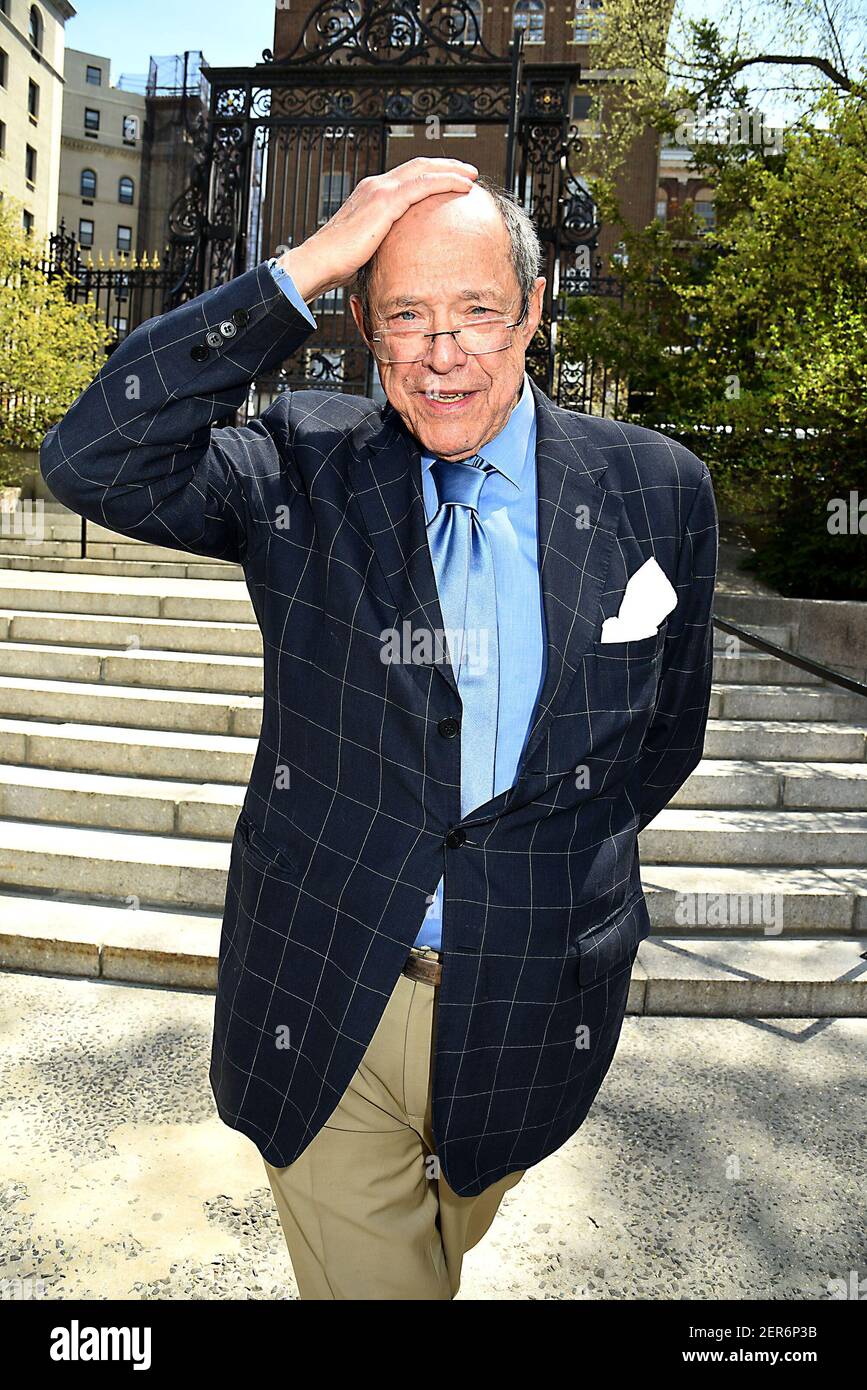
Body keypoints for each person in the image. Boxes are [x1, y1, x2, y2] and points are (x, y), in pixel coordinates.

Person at [40, 157, 718, 1300]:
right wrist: (302, 265)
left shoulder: (657, 487)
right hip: (327, 986)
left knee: (440, 1257)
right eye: (405, 314)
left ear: (535, 311)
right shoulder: (307, 463)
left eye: (477, 313)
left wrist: (535, 869)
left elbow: (665, 737)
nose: (441, 353)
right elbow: (93, 456)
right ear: (361, 321)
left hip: (530, 992)